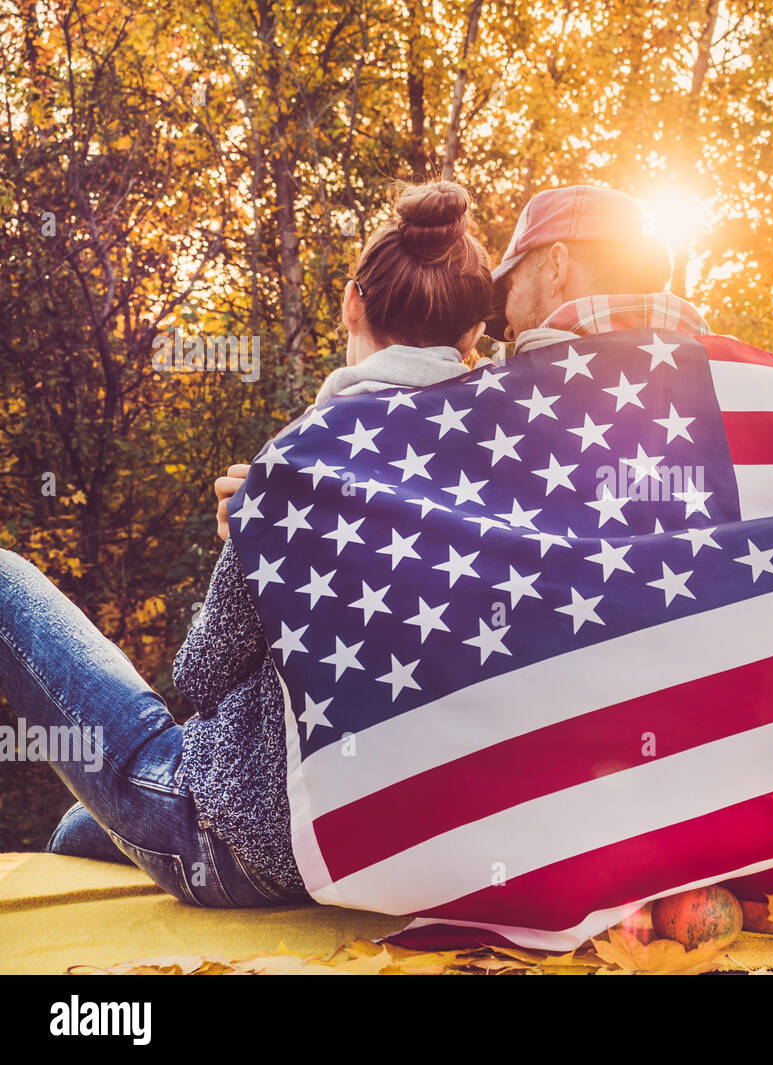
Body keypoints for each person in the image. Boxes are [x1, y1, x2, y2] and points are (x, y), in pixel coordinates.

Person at [0, 179, 493, 905]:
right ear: (474, 335)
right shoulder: (505, 462)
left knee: (6, 580)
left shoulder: (304, 459)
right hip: (405, 839)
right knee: (79, 830)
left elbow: (200, 675)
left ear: (353, 302)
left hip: (249, 845)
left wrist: (248, 536)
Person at [213, 184, 715, 539]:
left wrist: (275, 508)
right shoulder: (735, 392)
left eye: (510, 291)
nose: (508, 331)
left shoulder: (512, 417)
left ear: (557, 267)